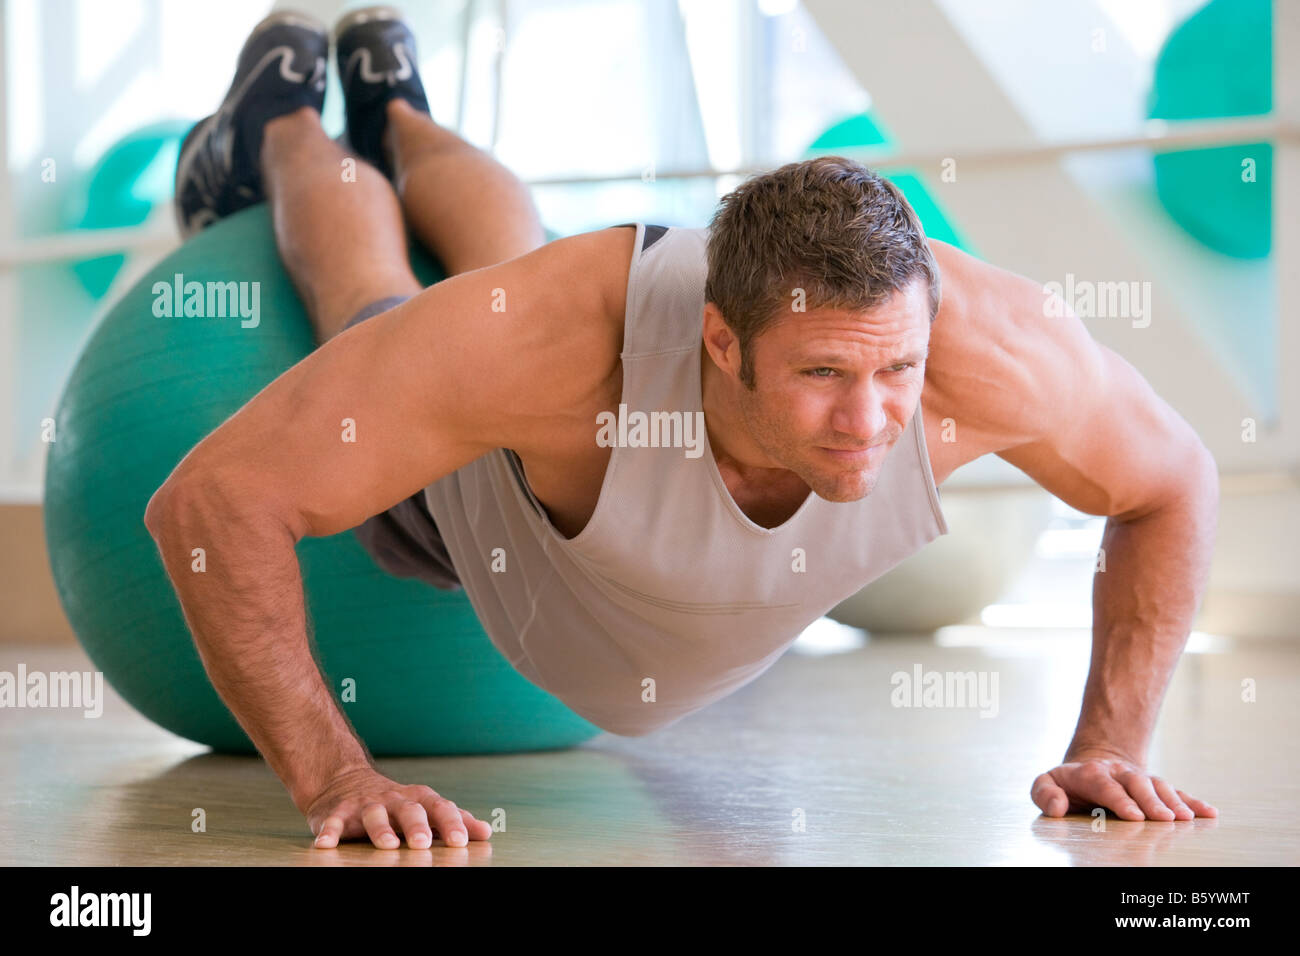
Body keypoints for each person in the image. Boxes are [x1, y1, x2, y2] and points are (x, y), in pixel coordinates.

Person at [148, 6, 1221, 850]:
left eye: (899, 367)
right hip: (494, 499)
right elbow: (211, 499)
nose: (870, 418)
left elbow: (1171, 481)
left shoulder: (1001, 349)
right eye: (821, 372)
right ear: (718, 339)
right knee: (377, 298)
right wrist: (337, 777)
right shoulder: (554, 346)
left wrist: (1108, 745)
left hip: (553, 348)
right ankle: (279, 120)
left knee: (503, 255)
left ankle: (393, 105)